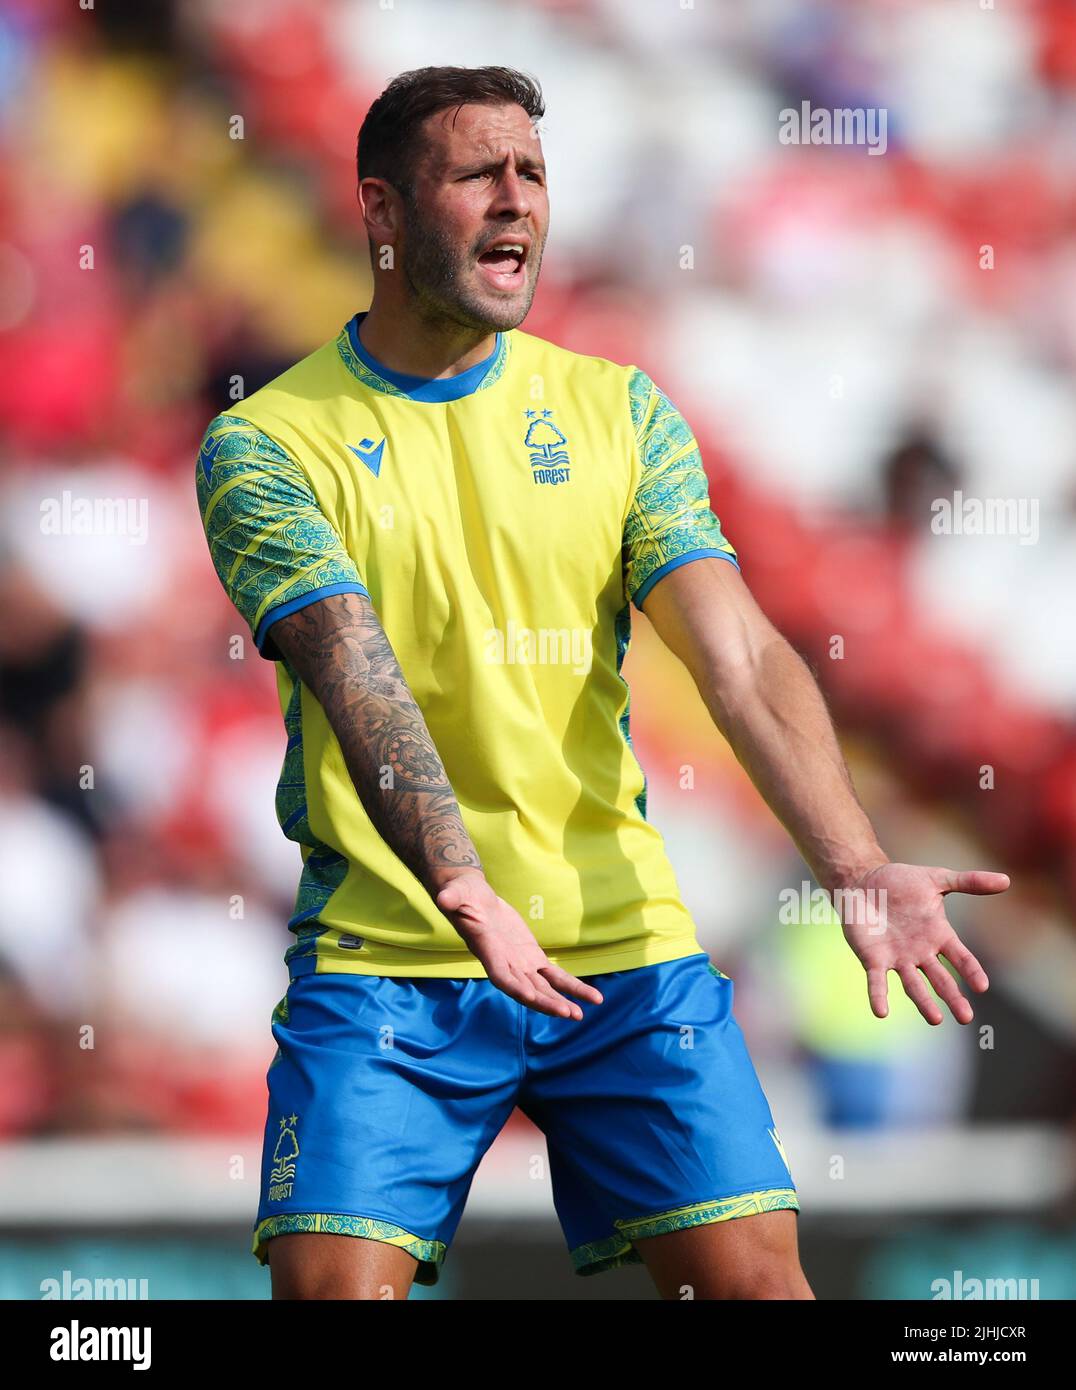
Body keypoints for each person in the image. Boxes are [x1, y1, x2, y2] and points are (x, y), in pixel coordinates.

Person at [195, 65, 1009, 1300]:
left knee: (758, 1290)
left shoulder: (618, 412)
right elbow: (356, 674)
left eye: (532, 174)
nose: (516, 203)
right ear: (379, 210)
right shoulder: (268, 442)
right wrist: (464, 889)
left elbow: (734, 655)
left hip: (622, 956)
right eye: (478, 175)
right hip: (392, 959)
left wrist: (852, 860)